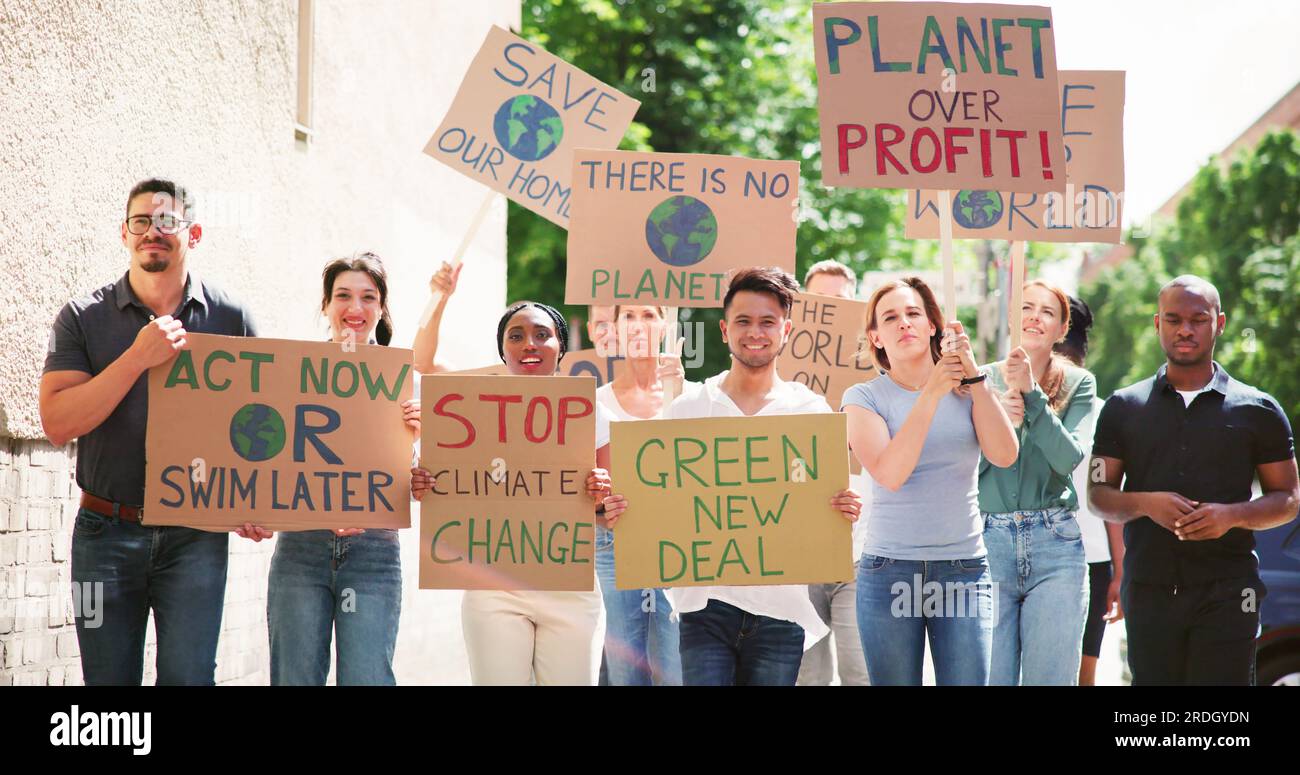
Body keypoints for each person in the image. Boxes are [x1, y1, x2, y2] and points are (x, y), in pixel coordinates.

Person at [40, 179, 259, 685]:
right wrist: (137, 358)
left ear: (194, 233)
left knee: (190, 677)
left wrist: (256, 499)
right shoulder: (81, 318)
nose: (152, 232)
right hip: (102, 535)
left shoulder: (232, 317)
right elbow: (57, 423)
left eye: (167, 222)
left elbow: (261, 420)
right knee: (107, 683)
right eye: (141, 222)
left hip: (196, 537)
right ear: (125, 233)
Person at [603, 268, 864, 686]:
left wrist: (841, 508)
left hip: (782, 610)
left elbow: (822, 506)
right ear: (725, 330)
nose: (754, 332)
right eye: (743, 321)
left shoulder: (811, 413)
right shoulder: (689, 409)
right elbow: (656, 501)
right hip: (705, 608)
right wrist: (624, 508)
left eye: (767, 322)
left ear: (787, 330)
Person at [236, 252, 440, 685]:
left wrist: (418, 460)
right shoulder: (290, 374)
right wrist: (252, 504)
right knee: (294, 678)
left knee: (367, 678)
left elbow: (416, 481)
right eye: (343, 295)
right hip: (301, 551)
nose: (355, 308)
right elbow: (265, 450)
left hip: (373, 554)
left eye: (368, 297)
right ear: (326, 305)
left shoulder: (406, 383)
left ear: (381, 308)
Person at [1089, 275, 1298, 685]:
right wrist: (1146, 503)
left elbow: (1289, 498)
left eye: (1198, 319)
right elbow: (1098, 495)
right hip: (1149, 587)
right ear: (1157, 324)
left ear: (1219, 323)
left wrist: (1231, 516)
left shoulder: (1258, 409)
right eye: (1173, 319)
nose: (1185, 329)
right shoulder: (1123, 407)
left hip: (1230, 588)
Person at [412, 301, 614, 685]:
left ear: (561, 347)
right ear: (502, 350)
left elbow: (609, 511)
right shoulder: (469, 409)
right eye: (516, 336)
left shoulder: (592, 412)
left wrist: (601, 492)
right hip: (493, 587)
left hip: (568, 586)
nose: (530, 345)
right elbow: (447, 480)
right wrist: (424, 484)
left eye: (542, 335)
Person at [844, 276, 1018, 686]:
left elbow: (1005, 455)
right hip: (889, 570)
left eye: (913, 314)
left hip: (963, 569)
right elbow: (890, 474)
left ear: (932, 326)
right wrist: (930, 395)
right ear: (876, 337)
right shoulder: (863, 398)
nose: (904, 323)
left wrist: (973, 377)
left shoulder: (969, 390)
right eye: (891, 317)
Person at [978, 280, 1097, 685]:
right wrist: (1002, 426)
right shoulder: (978, 382)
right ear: (1012, 318)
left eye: (1047, 311)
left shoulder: (1079, 384)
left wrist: (1032, 399)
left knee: (1050, 677)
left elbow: (1067, 458)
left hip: (1055, 543)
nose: (1034, 316)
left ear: (1062, 328)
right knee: (993, 676)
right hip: (988, 540)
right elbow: (964, 471)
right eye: (1026, 307)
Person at [594, 304, 693, 685]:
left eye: (649, 315)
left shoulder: (692, 394)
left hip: (678, 543)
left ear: (666, 325)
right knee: (626, 669)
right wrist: (602, 507)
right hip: (613, 543)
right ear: (614, 327)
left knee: (675, 664)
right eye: (629, 316)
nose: (638, 325)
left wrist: (683, 397)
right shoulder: (594, 401)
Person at [797, 259, 871, 687]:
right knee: (807, 677)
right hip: (799, 557)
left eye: (840, 301)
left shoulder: (879, 381)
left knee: (861, 673)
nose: (831, 309)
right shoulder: (784, 388)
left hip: (859, 556)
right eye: (820, 301)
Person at [1053, 296, 1125, 686]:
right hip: (1035, 557)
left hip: (1090, 560)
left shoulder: (1103, 413)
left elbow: (1111, 500)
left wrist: (1119, 570)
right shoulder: (1012, 409)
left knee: (1083, 674)